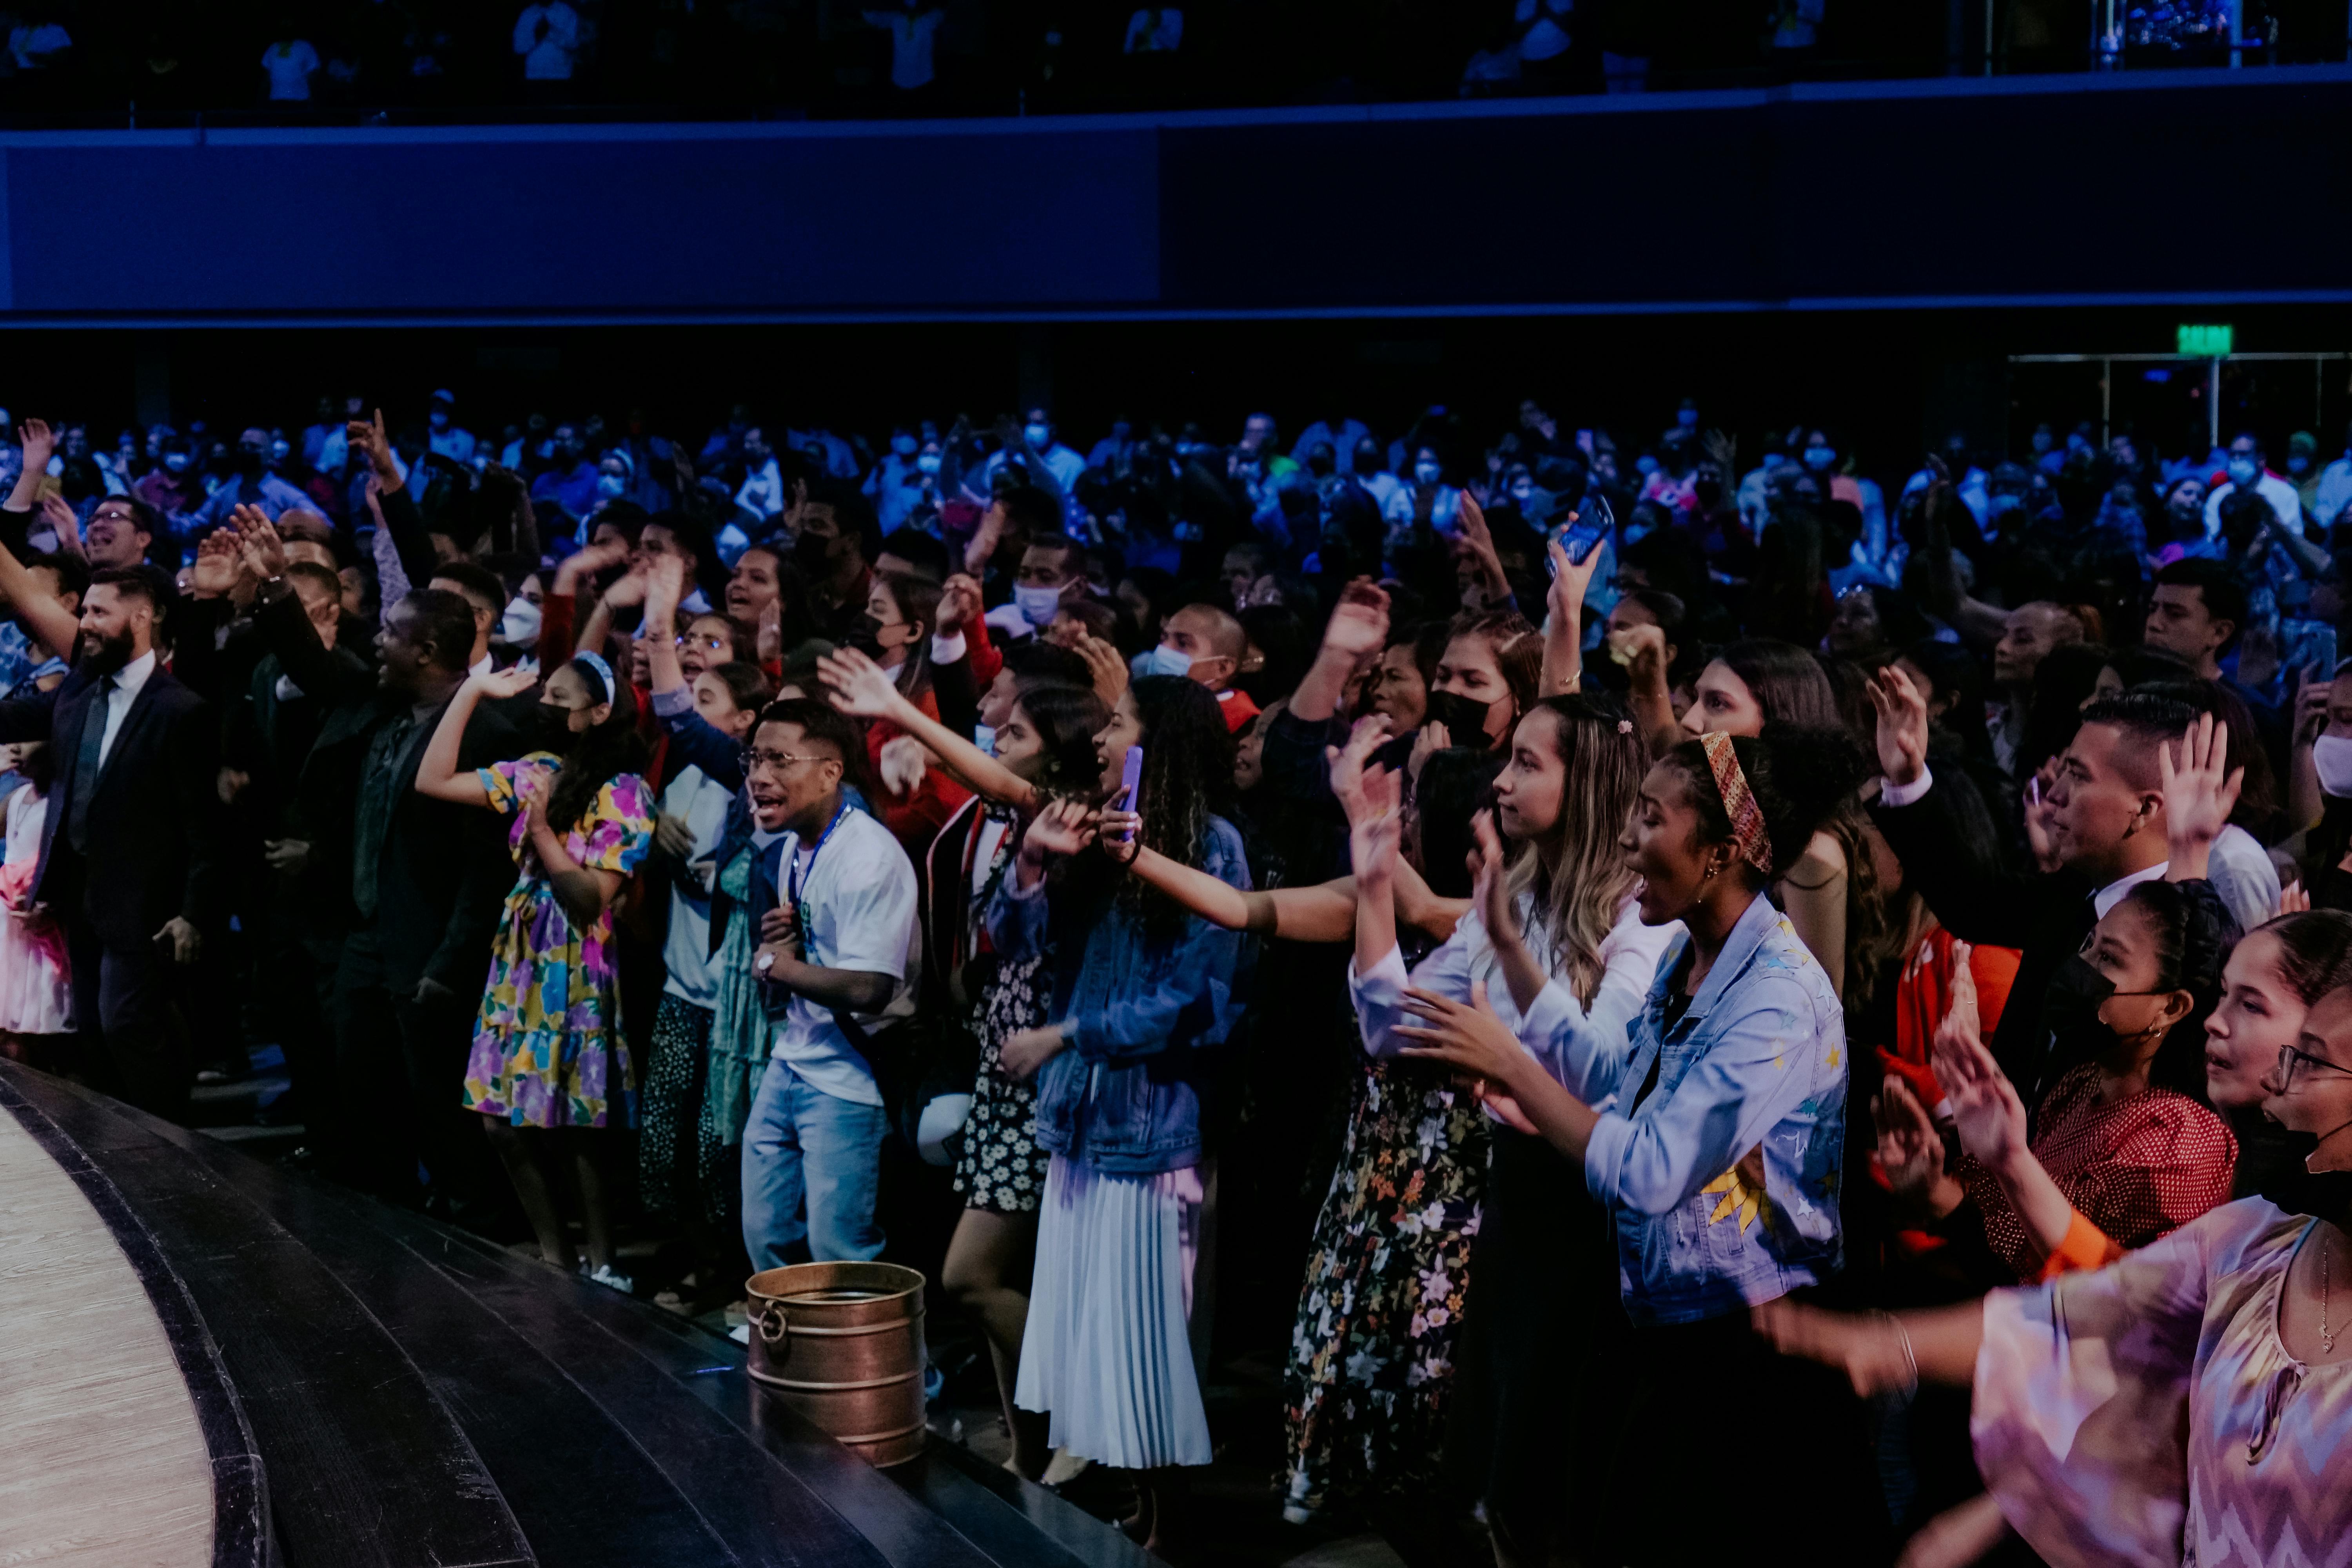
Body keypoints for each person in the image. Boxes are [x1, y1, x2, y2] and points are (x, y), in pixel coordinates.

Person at [1382, 719, 1882, 1564]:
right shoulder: (1691, 956)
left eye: (1651, 816)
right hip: (1660, 1322)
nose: (1625, 833)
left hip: (1748, 1351)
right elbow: (1610, 1075)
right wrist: (1506, 943)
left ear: (1721, 852)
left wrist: (1508, 1059)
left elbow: (1649, 1169)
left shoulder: (1778, 1001)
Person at [1756, 967, 2352, 1568]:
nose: (2279, 1077)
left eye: (2311, 1059)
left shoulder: (2184, 1139)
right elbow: (2091, 1309)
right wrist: (1887, 1344)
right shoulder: (2251, 1240)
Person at [1339, 695, 1674, 1565]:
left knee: (1560, 1473)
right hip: (1517, 1201)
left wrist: (1507, 1048)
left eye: (1528, 761)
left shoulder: (1641, 917)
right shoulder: (1515, 897)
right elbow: (1390, 1026)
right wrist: (1373, 881)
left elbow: (1604, 1074)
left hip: (1591, 1223)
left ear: (1588, 780)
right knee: (1501, 1479)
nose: (1501, 778)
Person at [819, 641, 1107, 1479]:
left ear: (1054, 752)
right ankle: (1029, 1447)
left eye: (1013, 731)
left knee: (970, 1274)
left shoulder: (1070, 822)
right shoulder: (1028, 829)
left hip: (1043, 1081)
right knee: (988, 1288)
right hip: (999, 1069)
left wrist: (901, 709)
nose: (996, 739)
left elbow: (1003, 785)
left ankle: (1085, 1412)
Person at [990, 676, 1247, 1552]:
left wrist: (1065, 1035)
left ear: (1159, 741)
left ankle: (1168, 1531)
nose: (1101, 738)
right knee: (1099, 1348)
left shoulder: (1211, 848)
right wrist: (1033, 861)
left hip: (1149, 1134)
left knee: (1147, 1356)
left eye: (1120, 722)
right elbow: (1018, 943)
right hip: (1082, 1128)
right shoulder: (1092, 833)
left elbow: (1188, 1001)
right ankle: (1140, 1514)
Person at [414, 652, 654, 1289]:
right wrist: (470, 690)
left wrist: (544, 830)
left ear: (598, 713)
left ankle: (603, 1265)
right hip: (518, 963)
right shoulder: (539, 770)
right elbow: (432, 780)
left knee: (576, 1127)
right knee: (501, 1120)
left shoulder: (624, 792)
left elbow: (590, 898)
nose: (544, 704)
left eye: (558, 695)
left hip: (575, 965)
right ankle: (558, 1257)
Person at [1873, 673, 2201, 1112]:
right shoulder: (2078, 891)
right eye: (2064, 769)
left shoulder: (2193, 938)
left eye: (2079, 776)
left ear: (2144, 809)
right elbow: (1974, 901)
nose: (2057, 793)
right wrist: (1907, 779)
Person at [0, 567, 214, 1119]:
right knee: (98, 1029)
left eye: (100, 613)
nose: (86, 626)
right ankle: (133, 1152)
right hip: (82, 900)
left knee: (128, 1024)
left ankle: (175, 1145)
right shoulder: (79, 692)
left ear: (144, 617)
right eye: (86, 612)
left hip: (147, 907)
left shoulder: (180, 708)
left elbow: (205, 828)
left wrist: (193, 912)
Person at [739, 699, 919, 1271]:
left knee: (840, 1254)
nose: (760, 776)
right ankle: (791, 1360)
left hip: (848, 1080)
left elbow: (871, 987)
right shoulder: (798, 844)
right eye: (755, 759)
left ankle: (903, 1367)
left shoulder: (868, 856)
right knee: (765, 1232)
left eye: (779, 761)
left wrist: (777, 966)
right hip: (795, 1059)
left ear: (830, 772)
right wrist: (788, 938)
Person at [0, 740, 73, 1060]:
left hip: (47, 929)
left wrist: (52, 903)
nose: (14, 750)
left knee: (54, 1031)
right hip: (13, 932)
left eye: (24, 741)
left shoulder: (63, 798)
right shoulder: (15, 799)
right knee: (13, 1036)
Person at [1142, 601, 1259, 733]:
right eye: (1164, 639)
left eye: (1183, 644)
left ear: (1222, 668)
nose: (1163, 649)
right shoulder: (1154, 702)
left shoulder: (1242, 728)